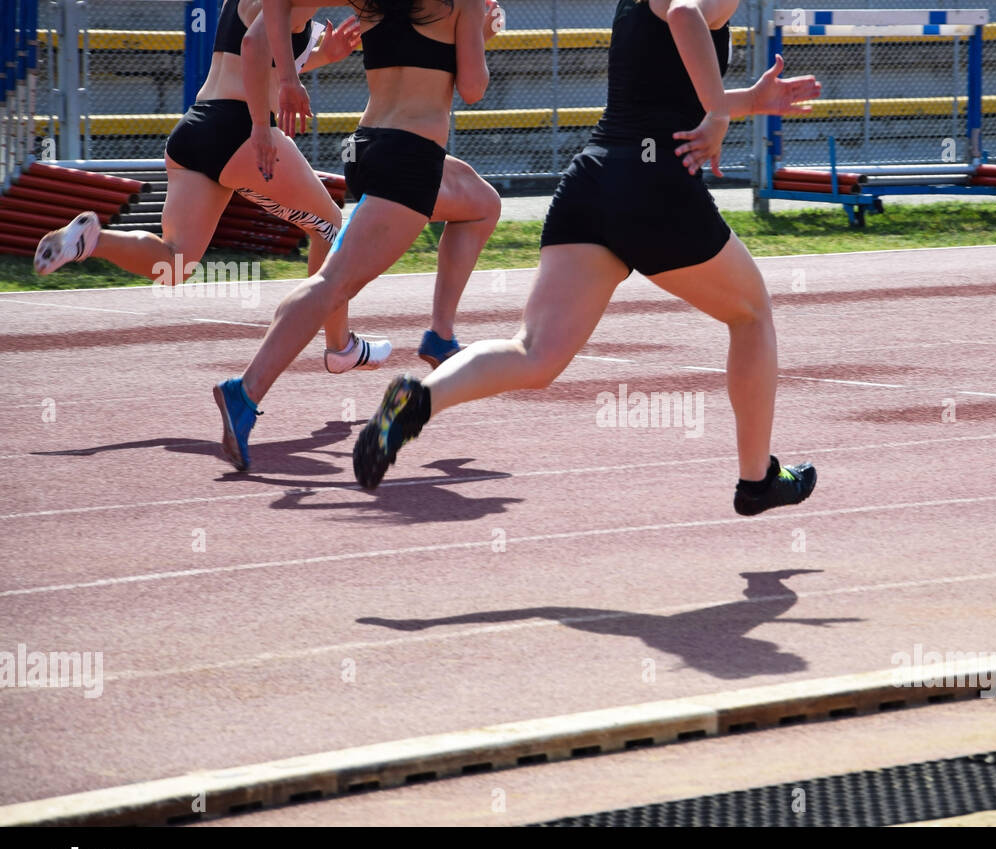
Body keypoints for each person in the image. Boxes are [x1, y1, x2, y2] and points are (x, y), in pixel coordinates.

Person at [351, 0, 823, 517]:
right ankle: (757, 480)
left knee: (533, 353)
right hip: (652, 185)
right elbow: (688, 14)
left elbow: (660, 86)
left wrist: (744, 103)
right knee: (751, 313)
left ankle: (416, 403)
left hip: (595, 179)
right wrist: (716, 112)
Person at [34, 1, 396, 374]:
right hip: (241, 128)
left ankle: (91, 239)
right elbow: (256, 48)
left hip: (196, 129)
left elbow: (260, 57)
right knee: (330, 226)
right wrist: (261, 124)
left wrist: (322, 55)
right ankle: (340, 347)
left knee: (175, 263)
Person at [213, 0, 498, 471]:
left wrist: (288, 79)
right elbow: (472, 87)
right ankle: (244, 392)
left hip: (367, 148)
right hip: (410, 159)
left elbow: (277, 6)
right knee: (333, 284)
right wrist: (482, 33)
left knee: (481, 204)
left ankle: (440, 336)